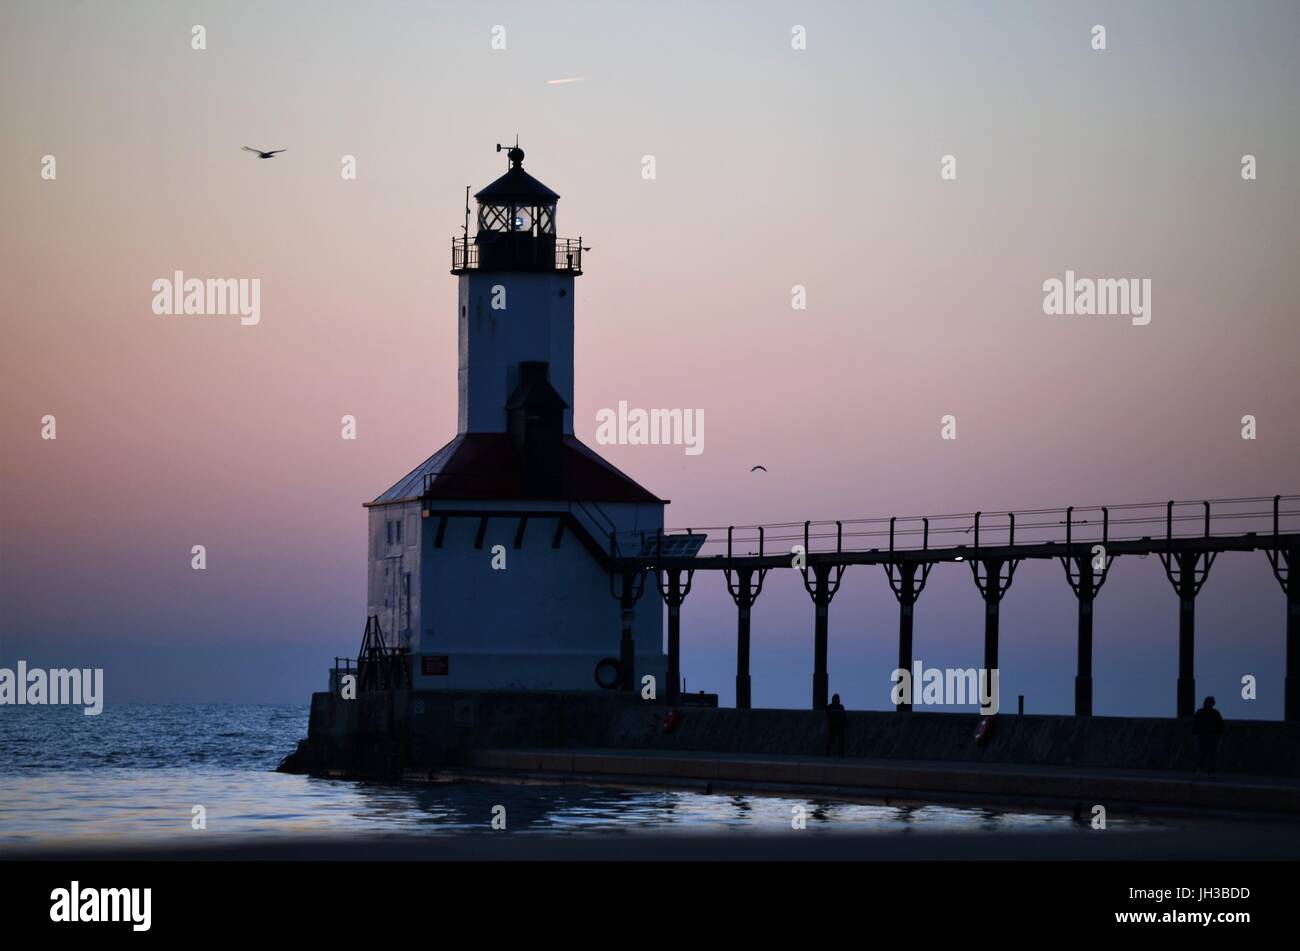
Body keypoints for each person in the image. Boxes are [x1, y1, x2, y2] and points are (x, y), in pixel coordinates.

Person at [1192, 696, 1224, 776]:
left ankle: (1205, 770)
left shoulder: (1201, 712)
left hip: (1208, 736)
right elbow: (1220, 725)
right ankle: (1206, 770)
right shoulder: (1214, 713)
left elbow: (1220, 725)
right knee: (1206, 754)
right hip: (1206, 736)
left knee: (1207, 754)